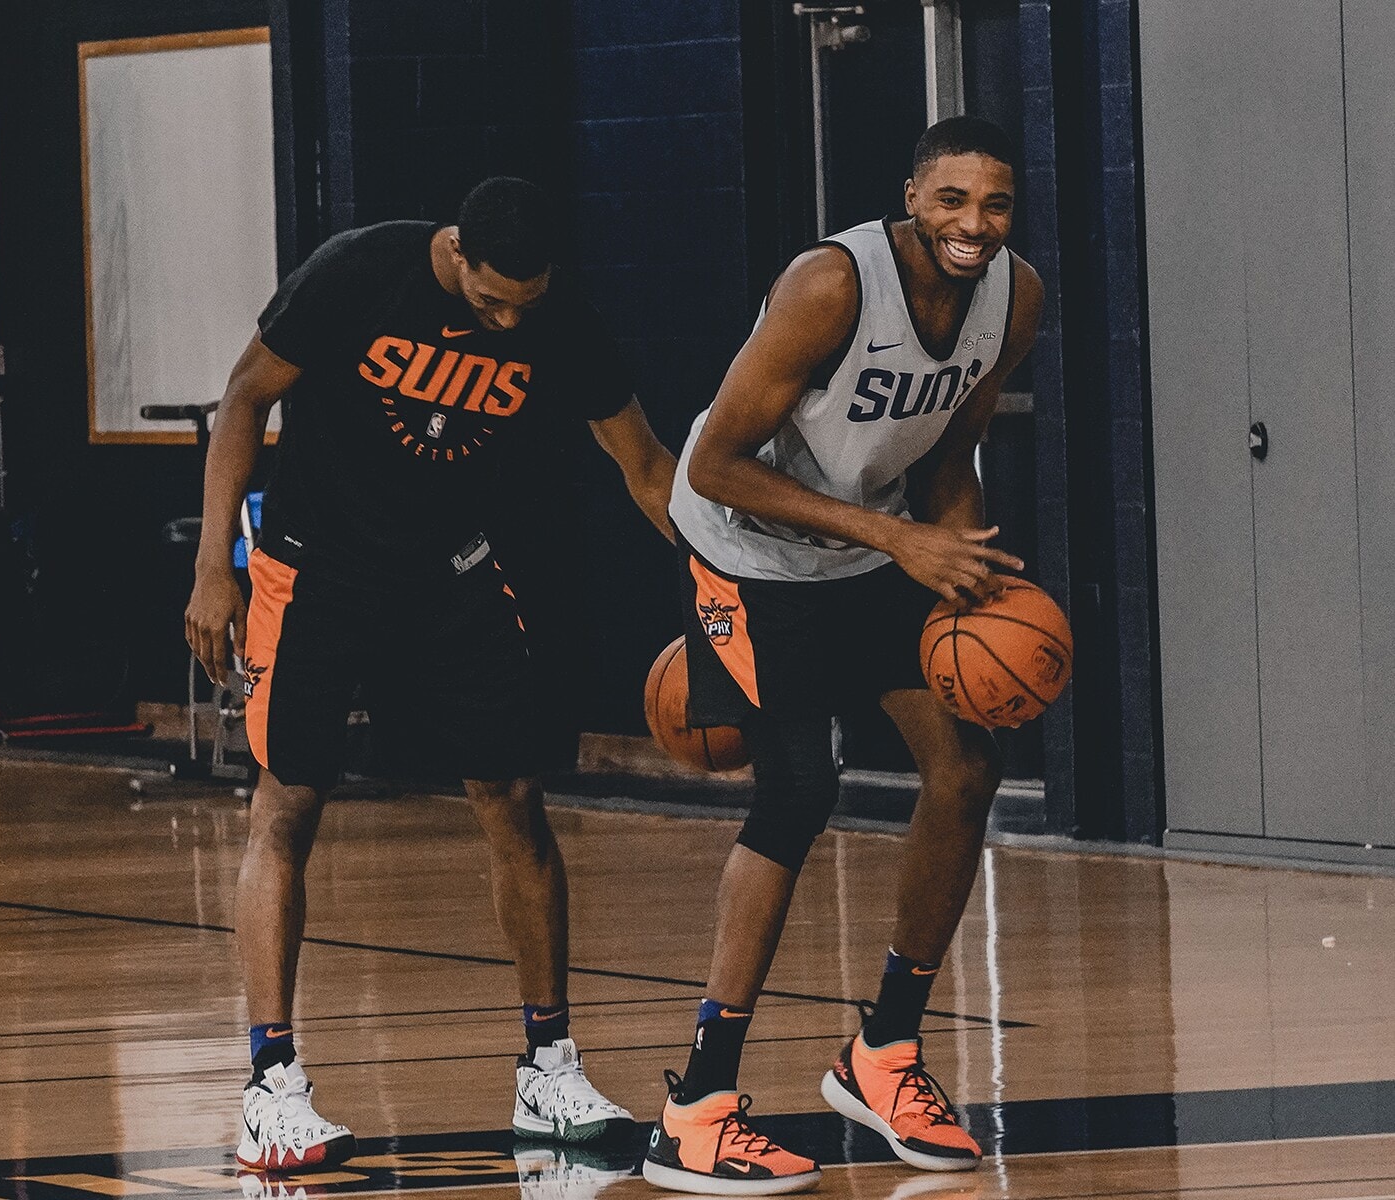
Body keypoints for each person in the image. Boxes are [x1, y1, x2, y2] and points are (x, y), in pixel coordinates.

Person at [184, 177, 677, 1172]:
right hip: (314, 561)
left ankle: (549, 1067)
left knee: (514, 795)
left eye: (521, 307)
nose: (505, 322)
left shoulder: (558, 319)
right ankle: (270, 1083)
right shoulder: (359, 274)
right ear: (455, 252)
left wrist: (724, 589)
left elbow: (648, 467)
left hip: (448, 565)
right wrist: (213, 568)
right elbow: (244, 396)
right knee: (288, 802)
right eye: (490, 301)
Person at [642, 116, 1043, 1193]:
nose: (974, 225)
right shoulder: (831, 285)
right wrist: (899, 539)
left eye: (995, 204)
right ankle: (697, 1106)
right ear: (913, 196)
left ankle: (885, 1054)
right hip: (748, 546)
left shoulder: (1014, 297)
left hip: (869, 545)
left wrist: (964, 556)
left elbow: (952, 443)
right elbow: (716, 462)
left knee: (967, 770)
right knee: (797, 789)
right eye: (952, 200)